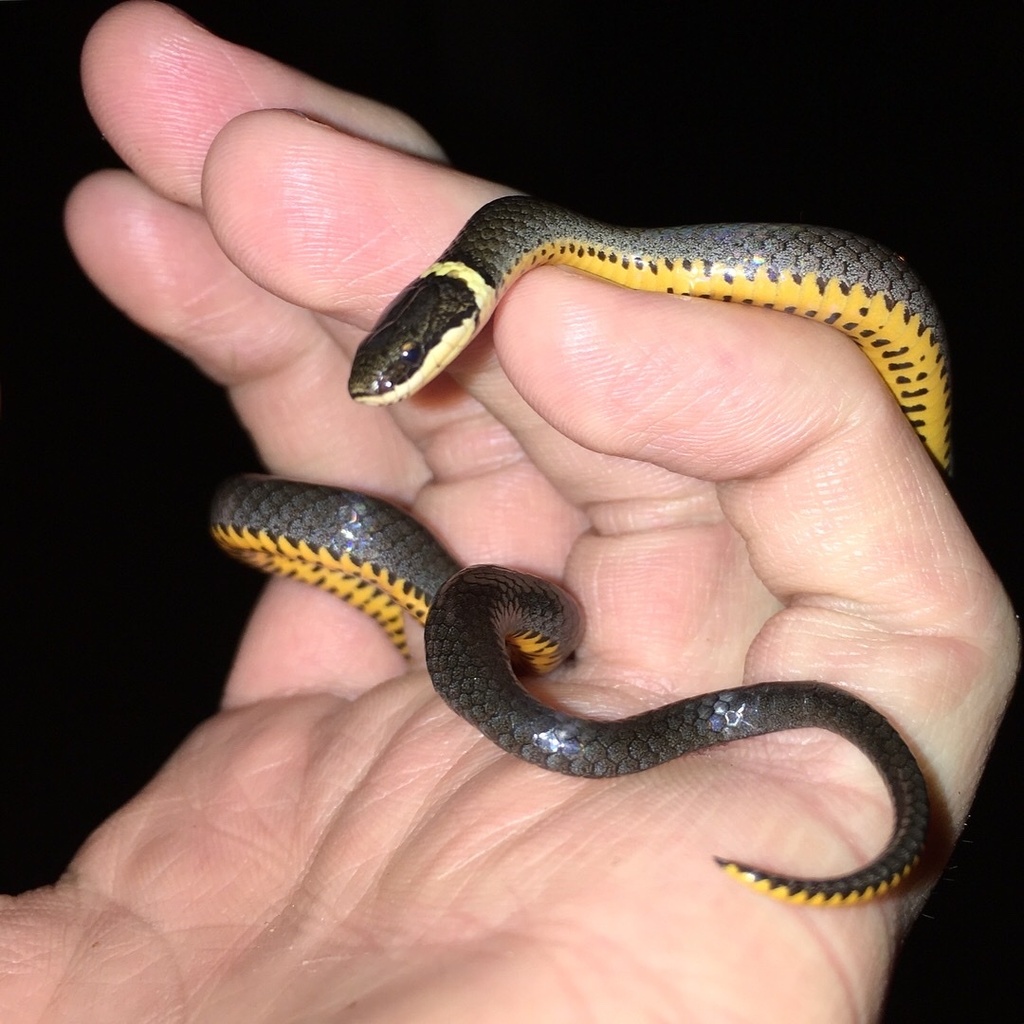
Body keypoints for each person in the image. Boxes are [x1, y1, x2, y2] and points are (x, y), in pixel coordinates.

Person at [2, 4, 1017, 1020]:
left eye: (409, 361)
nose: (399, 379)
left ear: (458, 314)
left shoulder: (525, 259)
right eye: (402, 361)